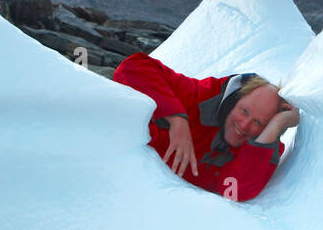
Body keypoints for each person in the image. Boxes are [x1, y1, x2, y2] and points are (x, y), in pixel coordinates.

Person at [111, 52, 299, 201]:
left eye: (259, 122)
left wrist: (276, 125)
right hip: (115, 172)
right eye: (244, 111)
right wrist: (177, 119)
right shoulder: (200, 97)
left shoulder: (263, 148)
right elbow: (132, 66)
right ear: (233, 100)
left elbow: (234, 191)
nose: (244, 125)